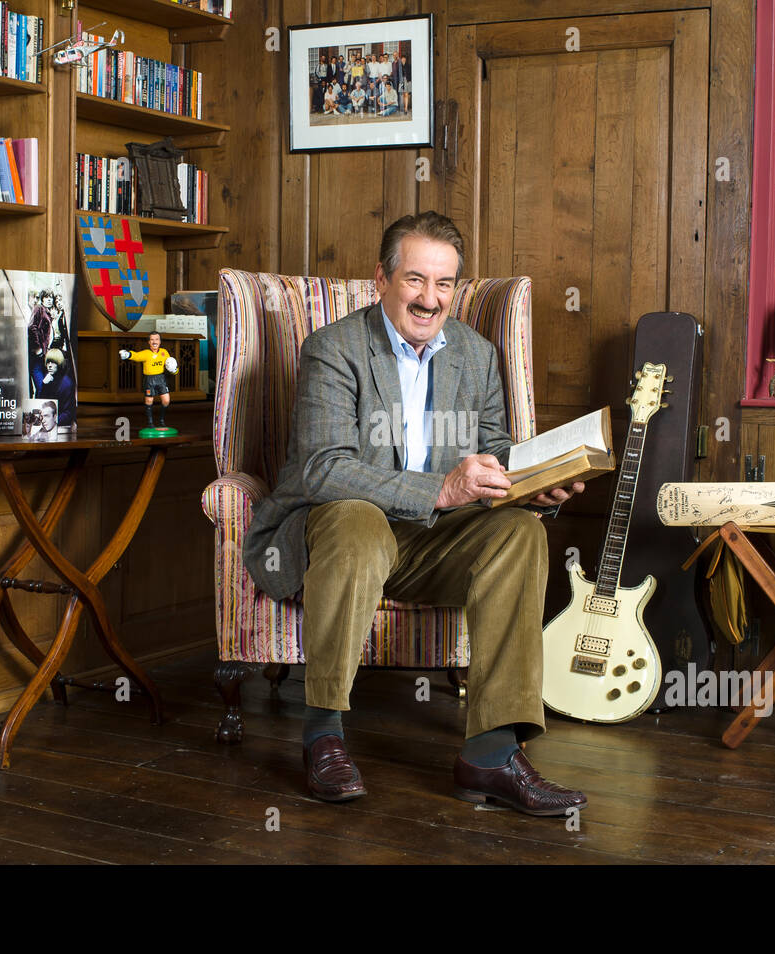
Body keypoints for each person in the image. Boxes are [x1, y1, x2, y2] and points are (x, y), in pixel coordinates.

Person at [243, 211, 589, 817]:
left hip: (430, 544)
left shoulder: (477, 358)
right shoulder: (333, 349)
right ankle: (323, 732)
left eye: (445, 284)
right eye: (414, 280)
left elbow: (493, 449)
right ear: (381, 278)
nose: (430, 300)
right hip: (335, 536)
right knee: (358, 522)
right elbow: (324, 468)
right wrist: (442, 489)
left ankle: (491, 752)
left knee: (519, 533)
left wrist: (530, 483)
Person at [119, 332, 177, 430]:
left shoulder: (164, 352)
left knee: (166, 400)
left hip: (161, 379)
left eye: (157, 339)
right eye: (152, 340)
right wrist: (128, 354)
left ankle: (161, 420)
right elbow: (136, 356)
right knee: (149, 400)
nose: (154, 342)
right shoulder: (146, 353)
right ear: (149, 342)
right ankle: (150, 422)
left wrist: (174, 370)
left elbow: (170, 364)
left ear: (160, 341)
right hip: (149, 380)